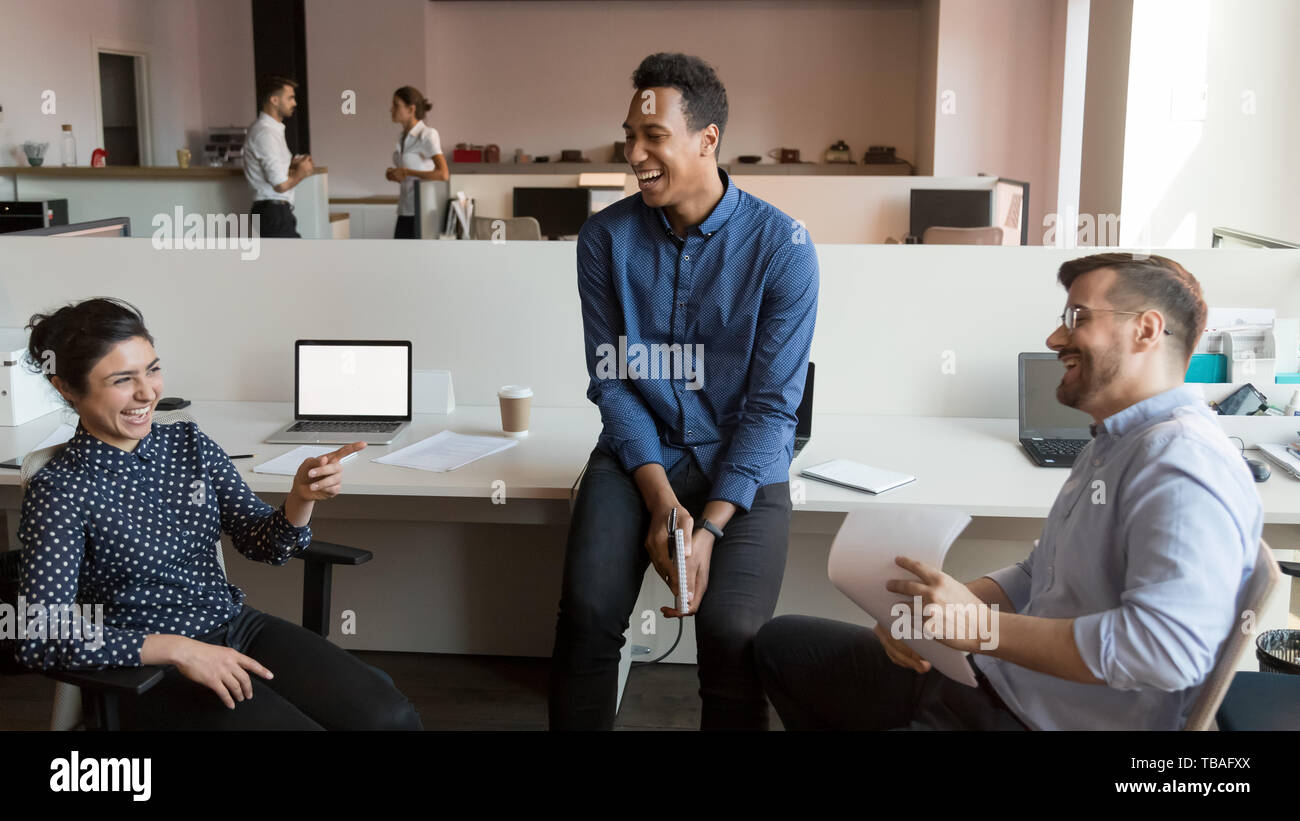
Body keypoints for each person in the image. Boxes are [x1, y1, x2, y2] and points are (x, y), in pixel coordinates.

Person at [753, 253, 1262, 731]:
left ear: (1145, 329)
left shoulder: (1181, 464)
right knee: (783, 643)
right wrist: (926, 616)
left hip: (1037, 720)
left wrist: (983, 629)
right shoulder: (1115, 440)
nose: (1054, 336)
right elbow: (1036, 574)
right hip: (992, 679)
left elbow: (1165, 650)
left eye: (1078, 317)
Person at [548, 53, 818, 730]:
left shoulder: (783, 248)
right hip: (640, 455)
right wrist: (664, 504)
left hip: (743, 464)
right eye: (628, 138)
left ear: (707, 140)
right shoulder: (604, 240)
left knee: (732, 635)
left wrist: (711, 527)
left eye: (653, 138)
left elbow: (772, 406)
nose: (634, 154)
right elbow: (612, 382)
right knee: (586, 616)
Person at [15, 298, 423, 730]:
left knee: (389, 719)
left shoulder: (187, 444)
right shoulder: (60, 491)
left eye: (152, 370)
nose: (146, 393)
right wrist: (176, 649)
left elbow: (263, 543)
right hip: (147, 668)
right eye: (121, 380)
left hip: (234, 626)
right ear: (66, 388)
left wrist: (300, 498)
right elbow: (41, 634)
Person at [244, 75, 315, 239]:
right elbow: (280, 185)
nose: (294, 103)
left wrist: (292, 165)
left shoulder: (273, 131)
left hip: (276, 214)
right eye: (290, 98)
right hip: (273, 215)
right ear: (275, 100)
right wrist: (301, 172)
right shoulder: (265, 133)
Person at [386, 86, 449, 239]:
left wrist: (407, 172)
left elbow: (443, 174)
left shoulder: (427, 135)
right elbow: (406, 174)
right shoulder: (402, 137)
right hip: (404, 210)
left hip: (422, 212)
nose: (391, 109)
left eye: (396, 105)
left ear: (411, 109)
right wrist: (393, 174)